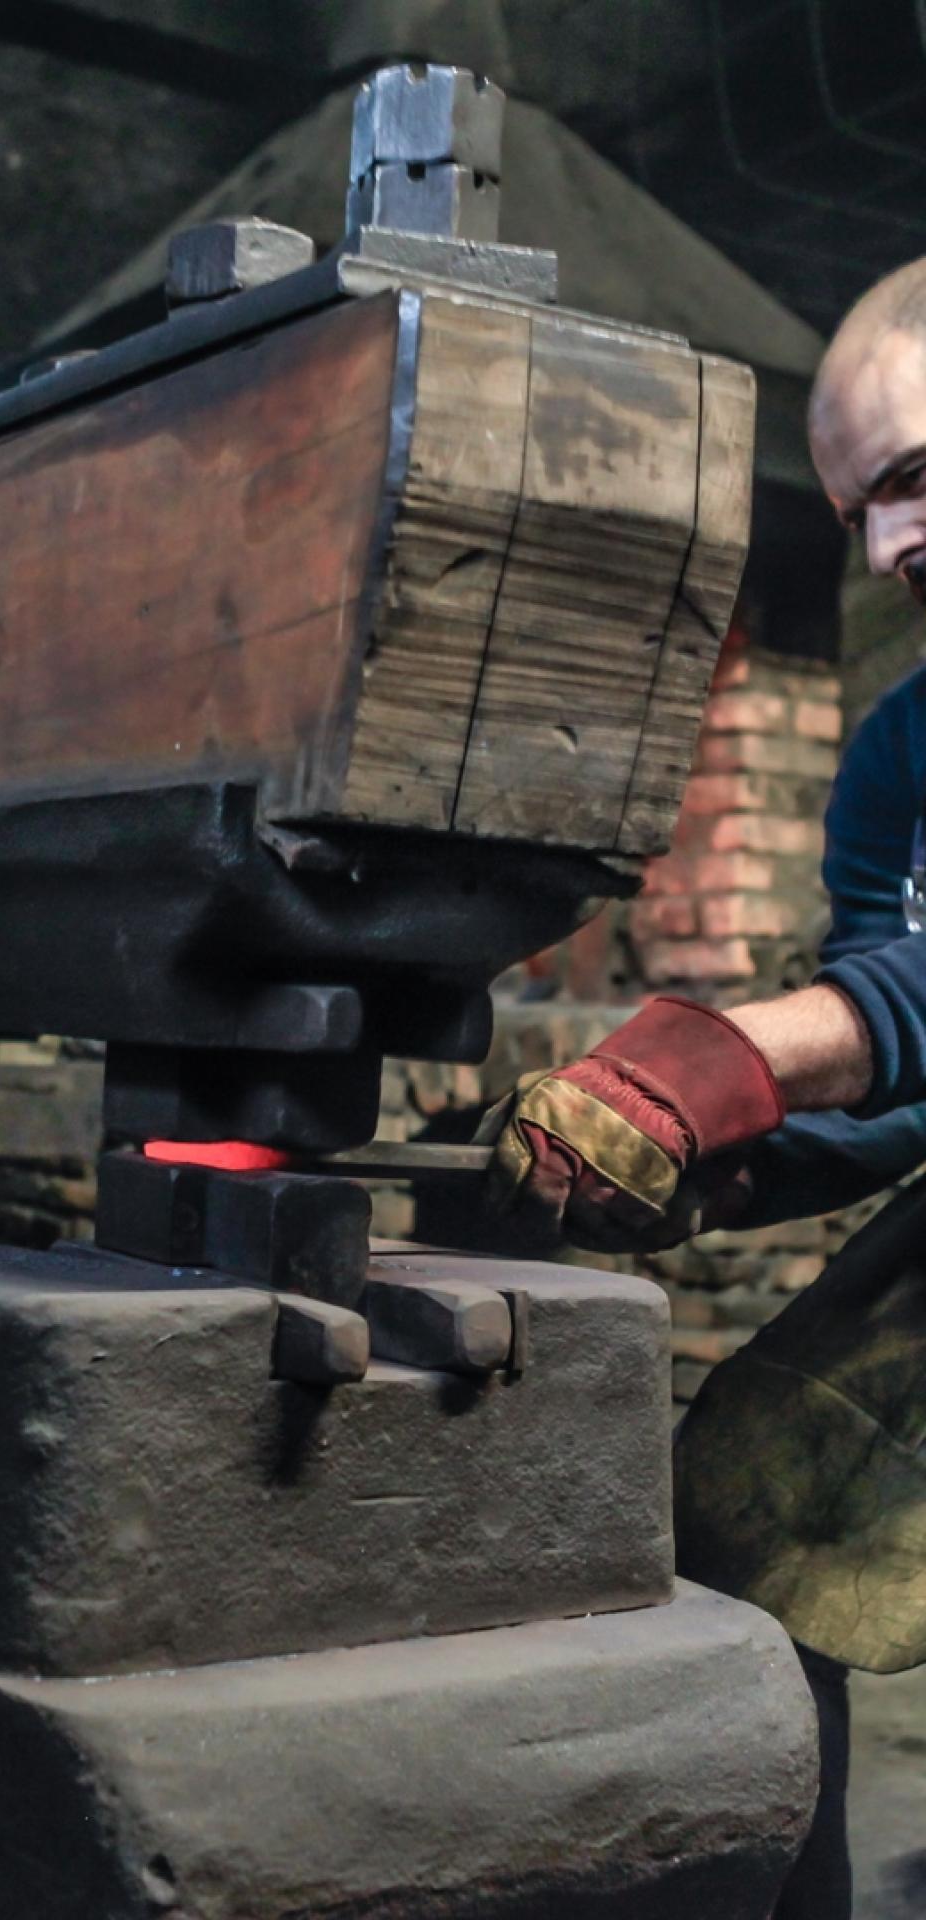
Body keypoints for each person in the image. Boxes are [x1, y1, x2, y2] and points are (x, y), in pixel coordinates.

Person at [488, 255, 926, 1919]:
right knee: (742, 1521)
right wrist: (761, 1157)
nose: (886, 547)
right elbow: (910, 1054)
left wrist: (738, 1058)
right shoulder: (897, 758)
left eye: (916, 480)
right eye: (856, 509)